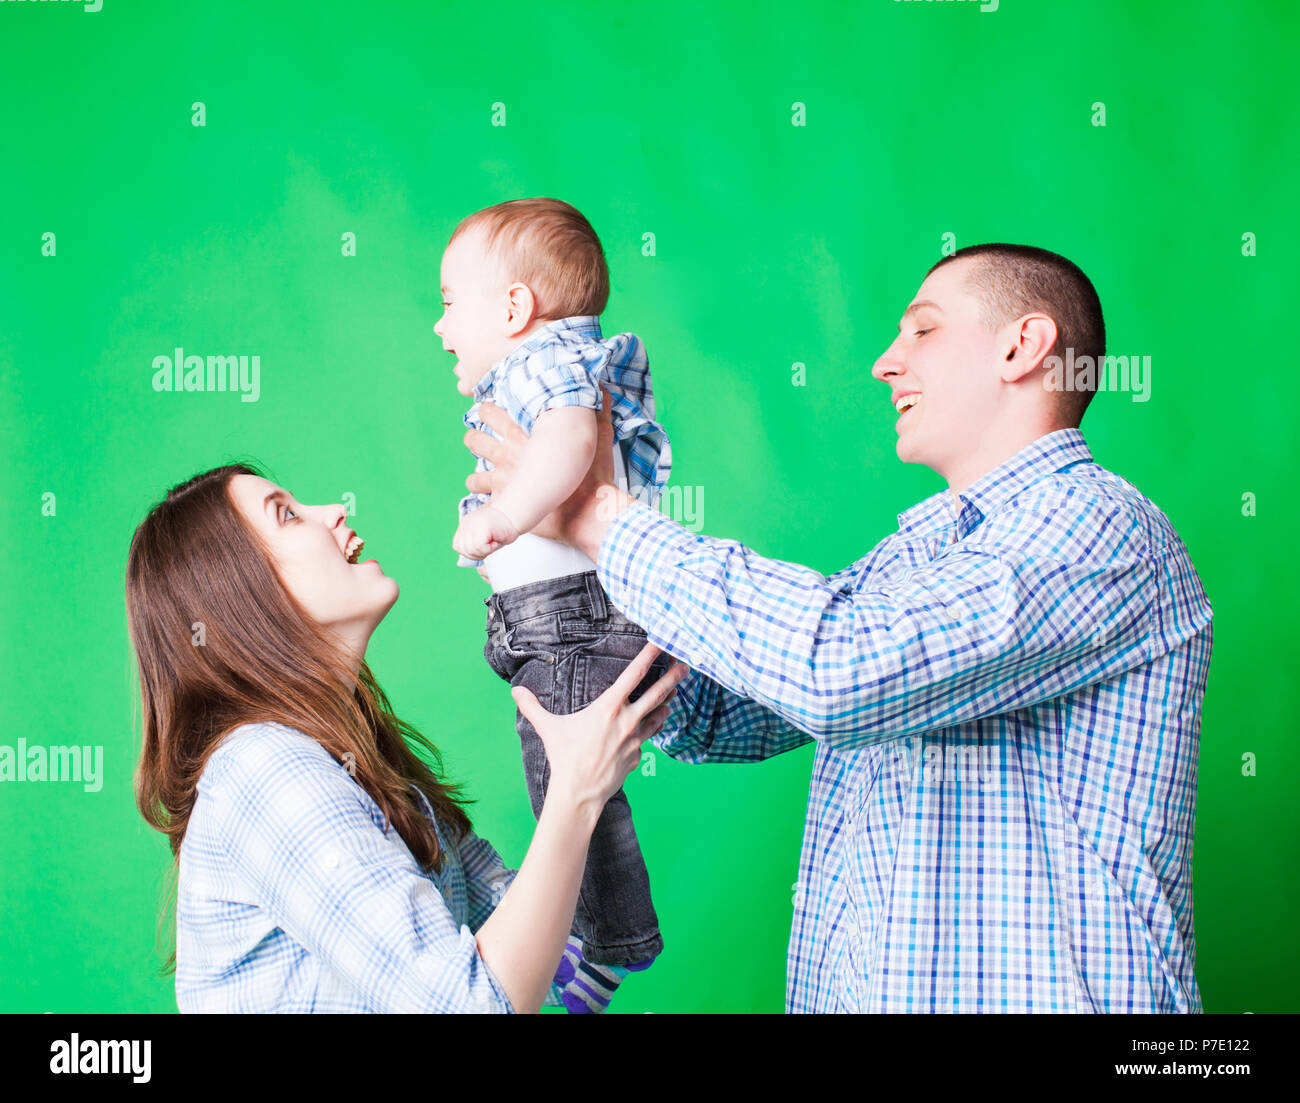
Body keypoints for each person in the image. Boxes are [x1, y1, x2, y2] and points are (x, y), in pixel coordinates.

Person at [463, 243, 1216, 1013]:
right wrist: (560, 587)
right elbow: (722, 713)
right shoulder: (909, 560)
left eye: (922, 331)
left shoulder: (1097, 525)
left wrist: (597, 515)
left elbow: (837, 675)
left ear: (1021, 347)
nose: (884, 364)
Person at [125, 463, 686, 1013]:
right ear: (237, 603)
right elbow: (472, 1006)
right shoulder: (263, 769)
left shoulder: (355, 759)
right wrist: (575, 790)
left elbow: (542, 950)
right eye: (288, 515)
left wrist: (556, 581)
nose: (332, 512)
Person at [438, 197, 673, 997]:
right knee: (562, 781)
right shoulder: (534, 367)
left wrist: (503, 516)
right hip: (549, 622)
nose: (439, 329)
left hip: (572, 618)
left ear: (514, 308)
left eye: (447, 304)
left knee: (572, 788)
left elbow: (573, 443)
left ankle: (607, 945)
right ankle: (584, 933)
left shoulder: (549, 366)